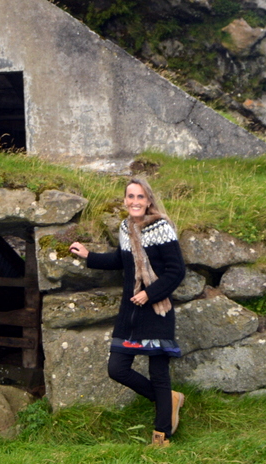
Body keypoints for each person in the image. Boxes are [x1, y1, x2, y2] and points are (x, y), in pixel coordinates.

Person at [69, 177, 187, 446]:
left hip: (156, 312)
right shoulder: (125, 227)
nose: (135, 201)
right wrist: (89, 255)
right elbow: (120, 259)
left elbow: (176, 271)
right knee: (117, 369)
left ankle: (161, 436)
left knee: (159, 374)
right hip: (130, 313)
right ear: (125, 200)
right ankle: (168, 400)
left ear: (149, 200)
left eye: (140, 197)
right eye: (131, 196)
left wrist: (150, 293)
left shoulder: (161, 227)